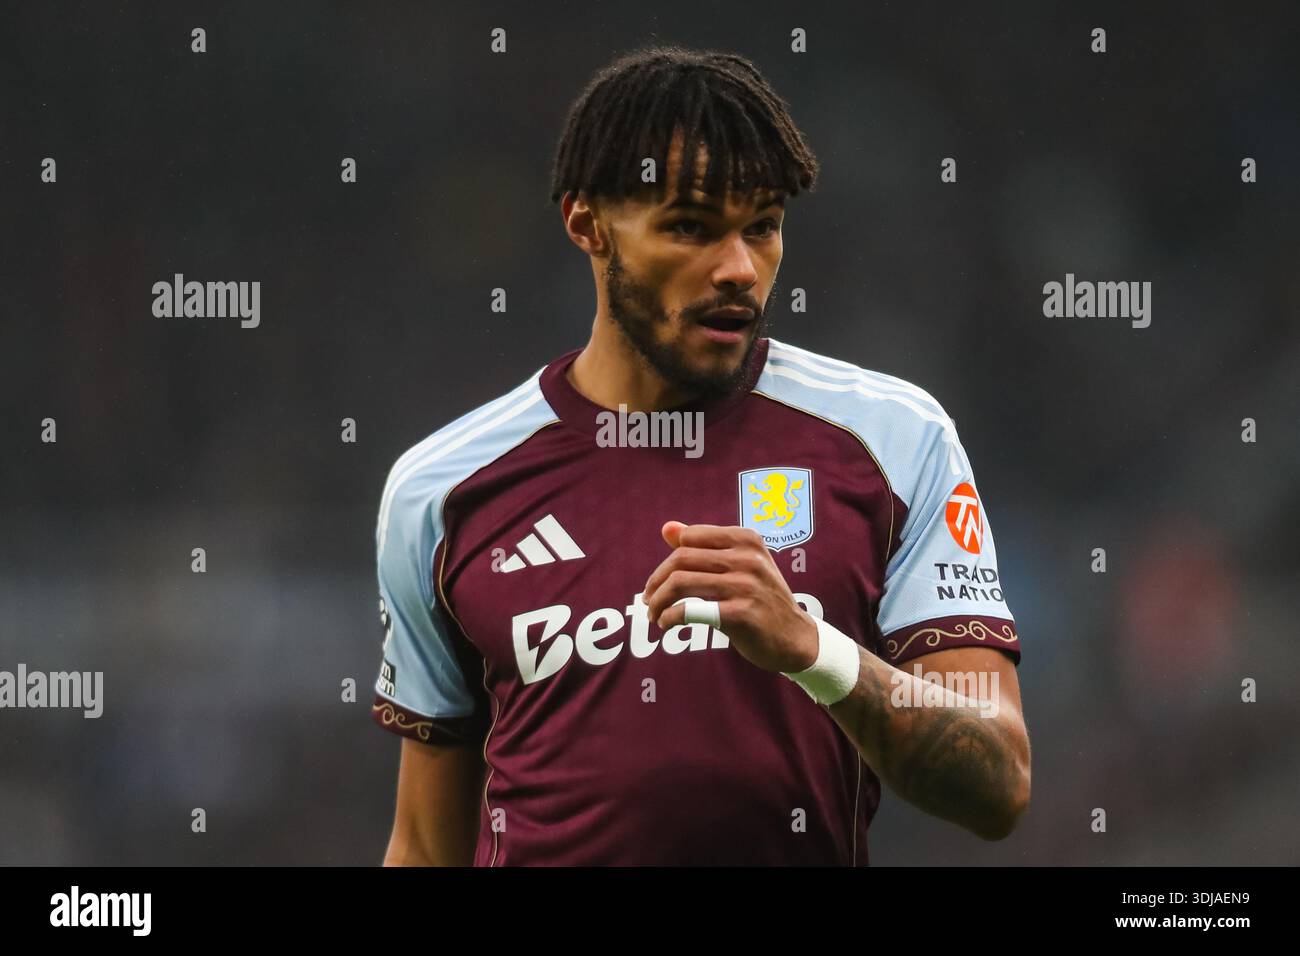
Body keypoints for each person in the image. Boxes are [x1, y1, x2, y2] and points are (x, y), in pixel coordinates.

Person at [373, 45, 1029, 866]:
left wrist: (812, 649)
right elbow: (427, 848)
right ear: (587, 223)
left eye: (763, 226)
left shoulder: (895, 441)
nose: (738, 269)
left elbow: (998, 779)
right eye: (690, 227)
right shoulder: (441, 490)